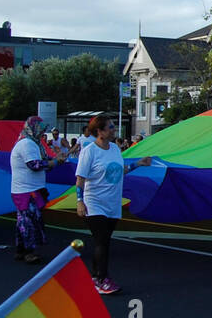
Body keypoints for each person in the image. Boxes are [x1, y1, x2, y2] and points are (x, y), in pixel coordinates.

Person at [76, 113, 151, 295]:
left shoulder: (115, 149)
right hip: (94, 202)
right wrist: (80, 201)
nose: (113, 129)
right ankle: (102, 279)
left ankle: (95, 277)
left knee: (103, 242)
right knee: (102, 242)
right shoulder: (89, 151)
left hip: (112, 203)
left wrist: (138, 164)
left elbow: (119, 171)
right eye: (110, 127)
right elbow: (80, 179)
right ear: (99, 132)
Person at [10, 116, 69, 264]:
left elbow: (43, 163)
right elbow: (34, 165)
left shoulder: (34, 144)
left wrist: (56, 160)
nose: (43, 133)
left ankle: (21, 250)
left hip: (29, 189)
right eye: (41, 130)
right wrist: (55, 162)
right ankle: (29, 252)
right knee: (29, 222)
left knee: (23, 221)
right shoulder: (27, 144)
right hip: (26, 190)